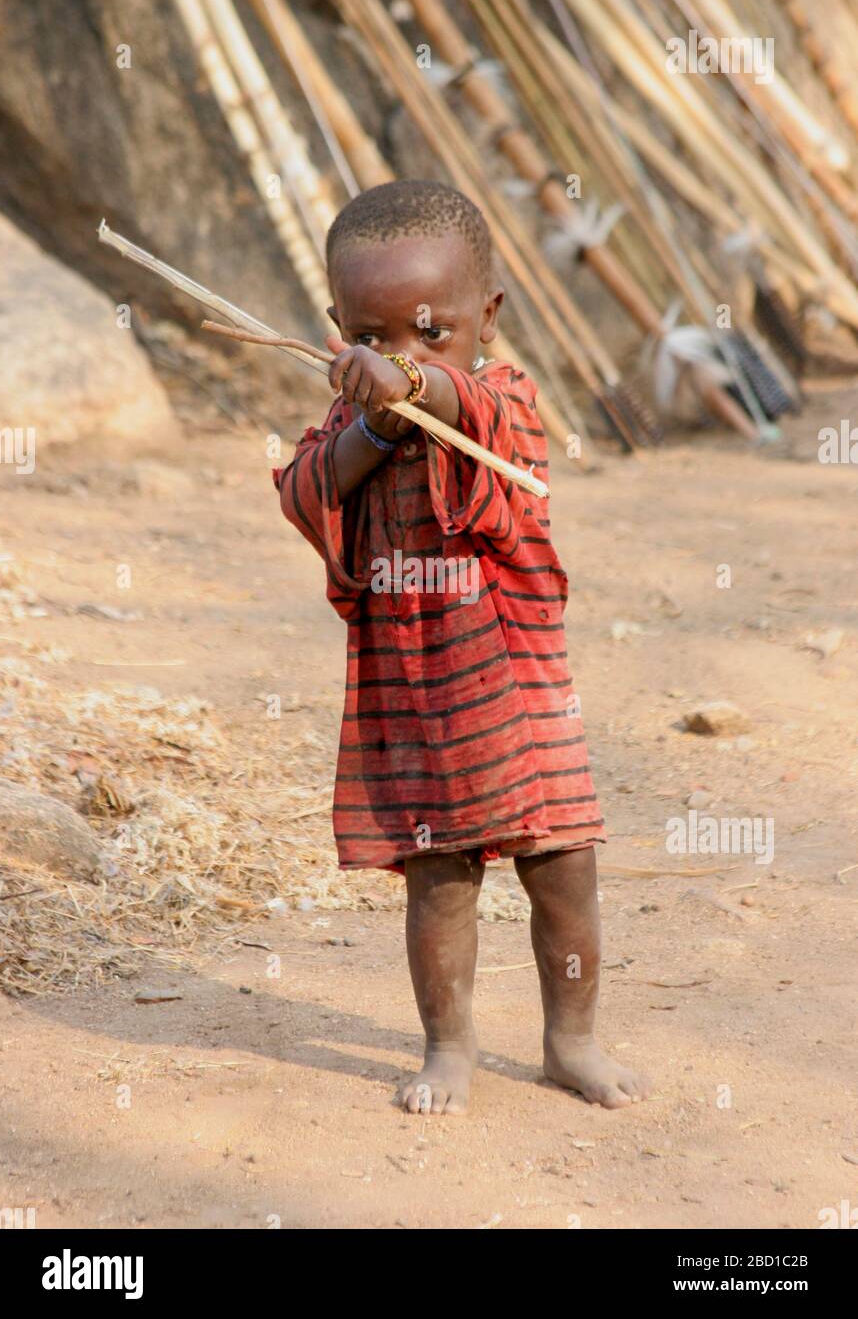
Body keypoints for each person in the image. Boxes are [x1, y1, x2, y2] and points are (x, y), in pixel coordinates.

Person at [277, 179, 648, 1114]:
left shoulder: (505, 403)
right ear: (335, 328)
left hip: (523, 708)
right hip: (415, 710)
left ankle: (572, 1038)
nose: (400, 354)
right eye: (371, 336)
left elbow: (474, 414)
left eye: (430, 331)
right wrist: (371, 421)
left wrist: (414, 385)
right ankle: (449, 1046)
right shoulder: (348, 428)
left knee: (564, 879)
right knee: (438, 885)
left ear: (486, 318)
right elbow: (304, 490)